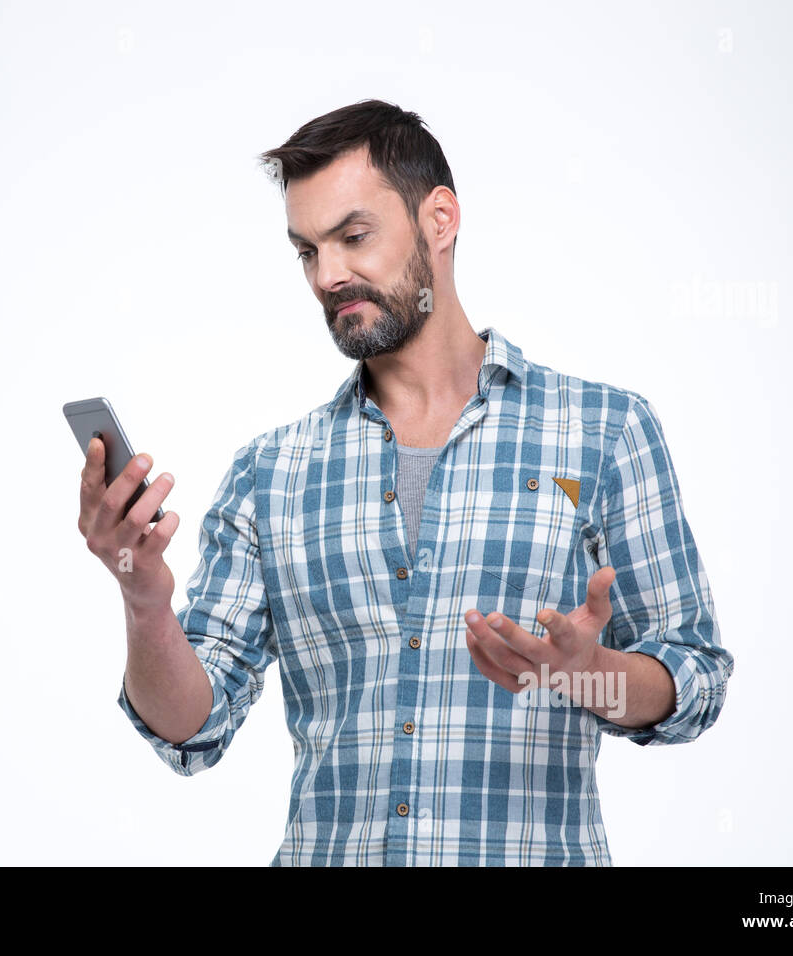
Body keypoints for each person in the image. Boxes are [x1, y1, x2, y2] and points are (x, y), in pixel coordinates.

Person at [77, 99, 734, 866]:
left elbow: (695, 680)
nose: (328, 276)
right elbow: (192, 727)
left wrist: (595, 678)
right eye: (306, 252)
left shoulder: (603, 432)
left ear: (440, 220)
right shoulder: (271, 472)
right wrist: (143, 595)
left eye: (354, 237)